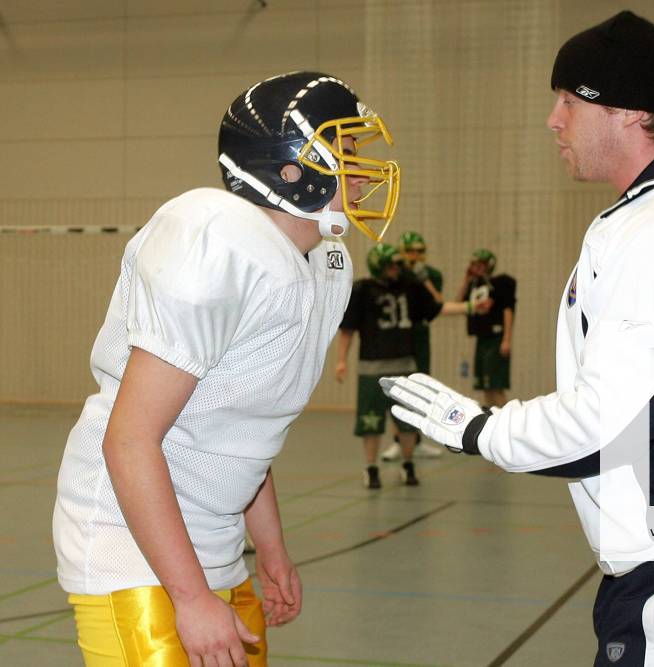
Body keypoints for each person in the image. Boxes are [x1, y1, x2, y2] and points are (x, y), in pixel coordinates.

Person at [381, 12, 654, 666]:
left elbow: (615, 421)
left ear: (631, 113)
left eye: (569, 100)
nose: (555, 120)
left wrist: (479, 428)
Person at [51, 71, 400, 667]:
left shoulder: (322, 264)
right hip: (130, 544)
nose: (361, 170)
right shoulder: (217, 238)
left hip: (210, 539)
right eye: (343, 152)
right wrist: (189, 597)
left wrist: (270, 547)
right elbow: (130, 439)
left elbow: (242, 431)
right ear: (292, 167)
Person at [335, 243, 482, 488]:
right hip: (372, 368)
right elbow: (347, 330)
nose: (396, 269)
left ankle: (408, 463)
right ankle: (371, 468)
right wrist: (341, 360)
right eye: (391, 265)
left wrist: (469, 307)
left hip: (404, 366)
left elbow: (437, 308)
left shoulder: (410, 288)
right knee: (370, 422)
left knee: (407, 421)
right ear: (378, 266)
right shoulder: (362, 290)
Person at [380, 231, 446, 461]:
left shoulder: (432, 275)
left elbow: (437, 304)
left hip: (419, 335)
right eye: (410, 251)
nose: (414, 256)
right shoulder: (395, 274)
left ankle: (415, 440)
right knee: (395, 389)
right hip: (397, 338)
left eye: (419, 251)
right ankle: (398, 441)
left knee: (419, 389)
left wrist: (424, 281)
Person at [456, 249, 517, 409]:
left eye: (480, 265)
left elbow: (508, 310)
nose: (476, 268)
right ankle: (493, 419)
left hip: (496, 338)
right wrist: (466, 280)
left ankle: (507, 420)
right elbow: (459, 305)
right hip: (481, 339)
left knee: (495, 386)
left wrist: (506, 339)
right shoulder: (474, 285)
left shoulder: (500, 283)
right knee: (485, 385)